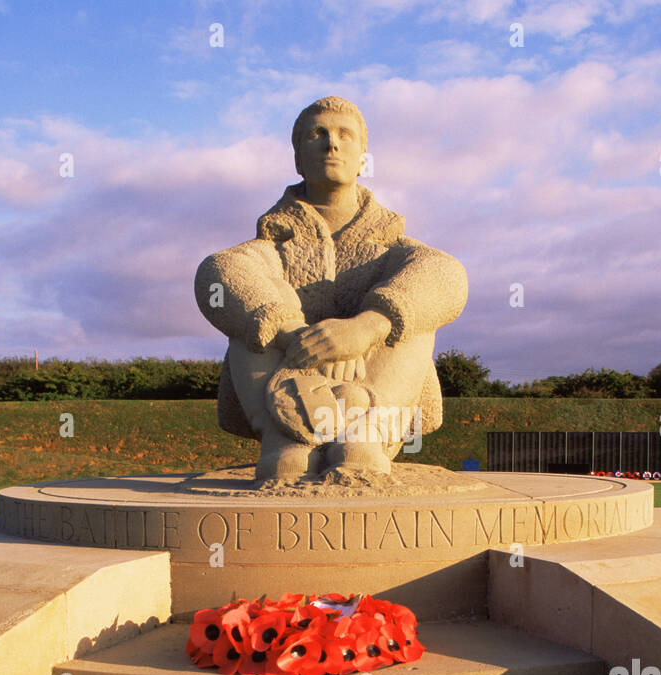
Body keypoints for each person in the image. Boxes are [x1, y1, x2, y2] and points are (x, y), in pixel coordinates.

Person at [195, 96, 467, 483]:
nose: (331, 143)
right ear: (297, 158)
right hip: (289, 392)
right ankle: (286, 438)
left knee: (412, 305)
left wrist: (366, 327)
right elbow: (219, 271)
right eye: (317, 134)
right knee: (250, 309)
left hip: (374, 395)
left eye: (344, 135)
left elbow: (447, 274)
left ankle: (364, 435)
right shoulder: (272, 246)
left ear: (362, 157)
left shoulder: (391, 247)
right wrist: (297, 336)